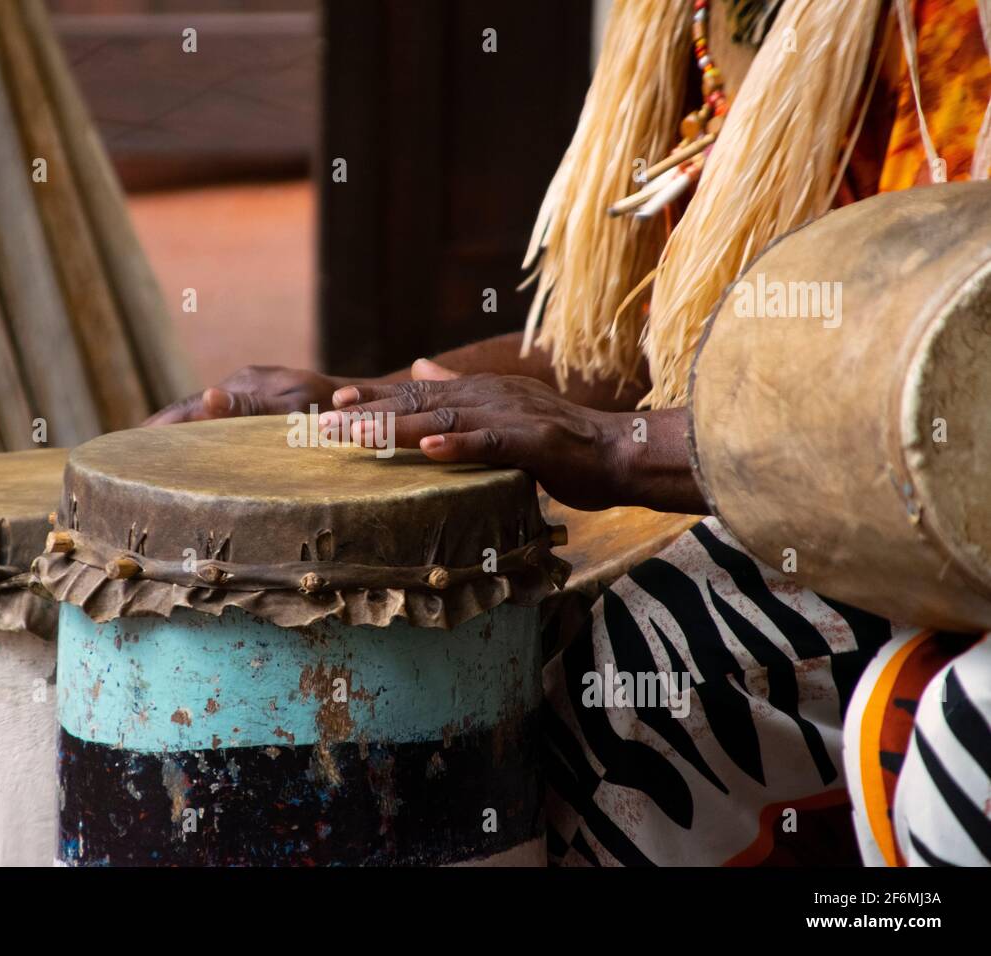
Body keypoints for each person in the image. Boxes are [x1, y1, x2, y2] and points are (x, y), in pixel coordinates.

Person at [147, 0, 991, 866]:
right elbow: (642, 340)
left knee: (634, 669)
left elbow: (956, 411)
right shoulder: (683, 17)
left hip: (925, 522)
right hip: (791, 477)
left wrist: (622, 448)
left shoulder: (948, 35)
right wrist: (375, 401)